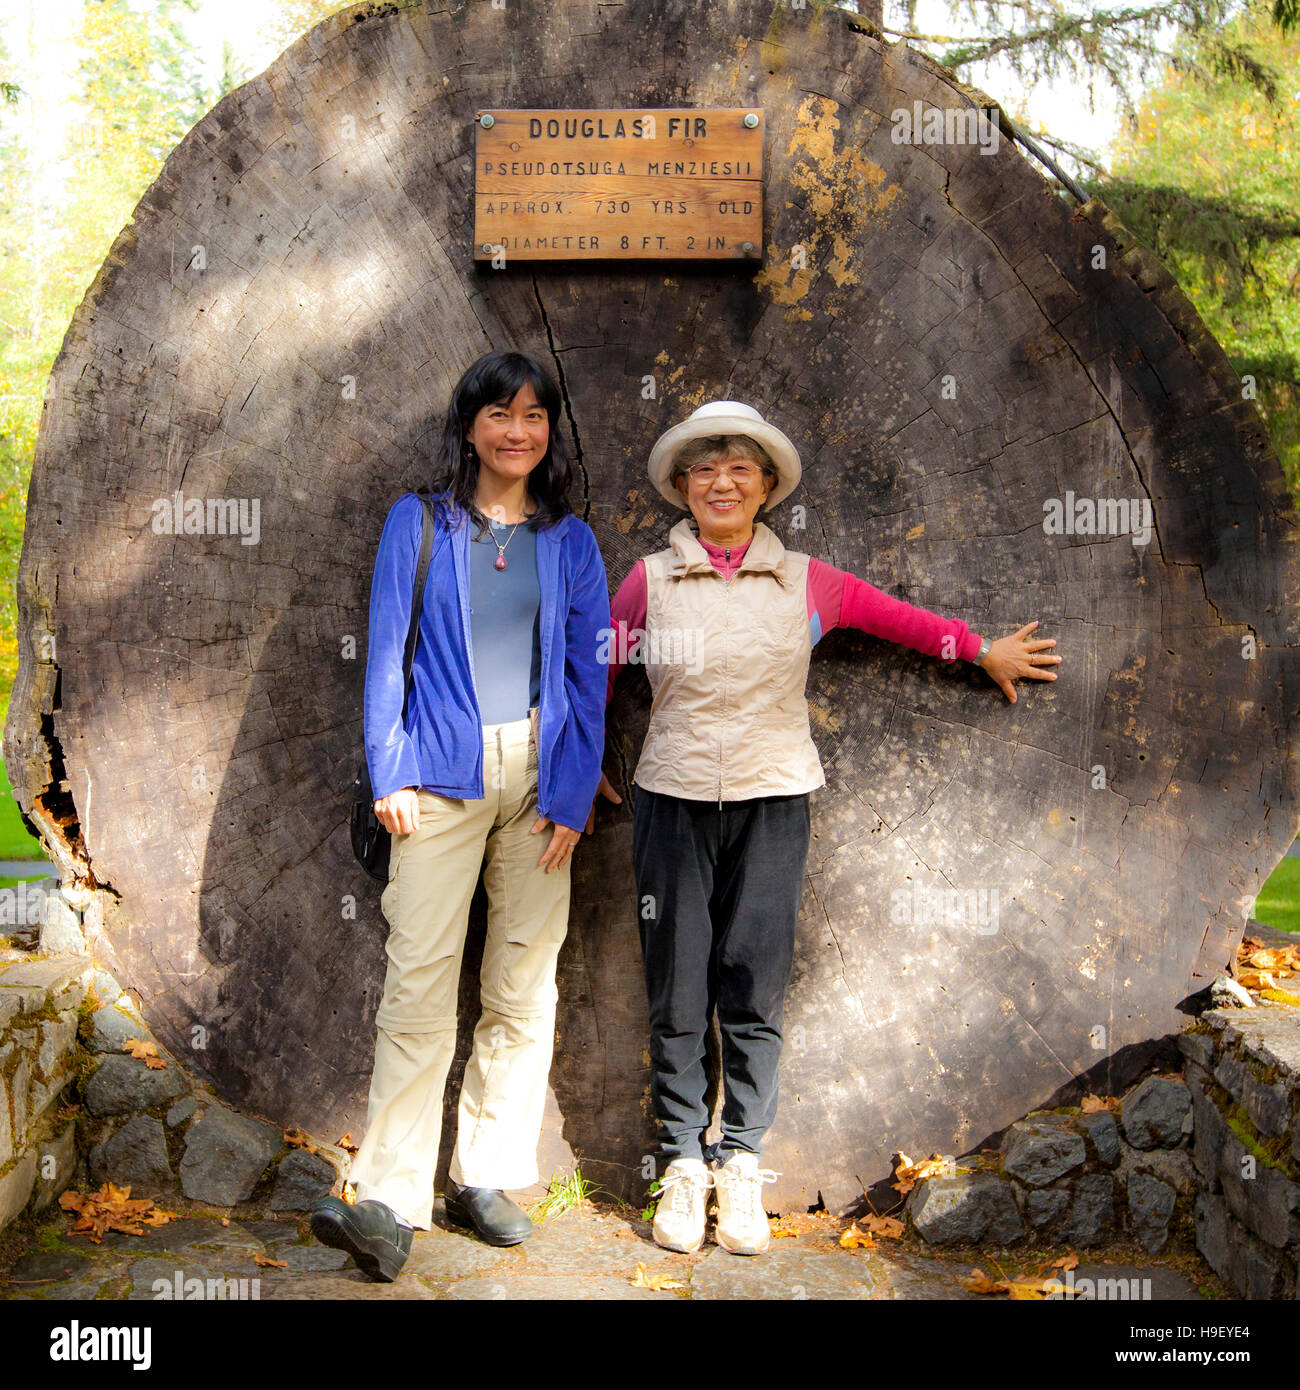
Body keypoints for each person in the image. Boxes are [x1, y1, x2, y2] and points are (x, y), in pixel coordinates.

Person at [600, 400, 1062, 1257]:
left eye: (740, 467)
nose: (722, 481)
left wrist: (976, 647)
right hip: (671, 797)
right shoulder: (647, 580)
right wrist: (583, 758)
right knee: (676, 982)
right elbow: (598, 664)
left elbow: (902, 621)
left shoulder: (811, 581)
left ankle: (739, 1164)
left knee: (753, 980)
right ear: (683, 490)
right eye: (704, 468)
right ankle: (680, 1164)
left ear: (767, 486)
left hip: (775, 798)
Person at [311, 350, 610, 1281]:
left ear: (548, 431)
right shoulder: (421, 522)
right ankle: (392, 1199)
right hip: (437, 775)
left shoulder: (570, 543)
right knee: (418, 984)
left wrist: (572, 789)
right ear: (470, 425)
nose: (517, 430)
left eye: (533, 415)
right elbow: (387, 653)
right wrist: (387, 770)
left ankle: (485, 1175)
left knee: (522, 986)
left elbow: (589, 673)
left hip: (538, 773)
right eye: (499, 414)